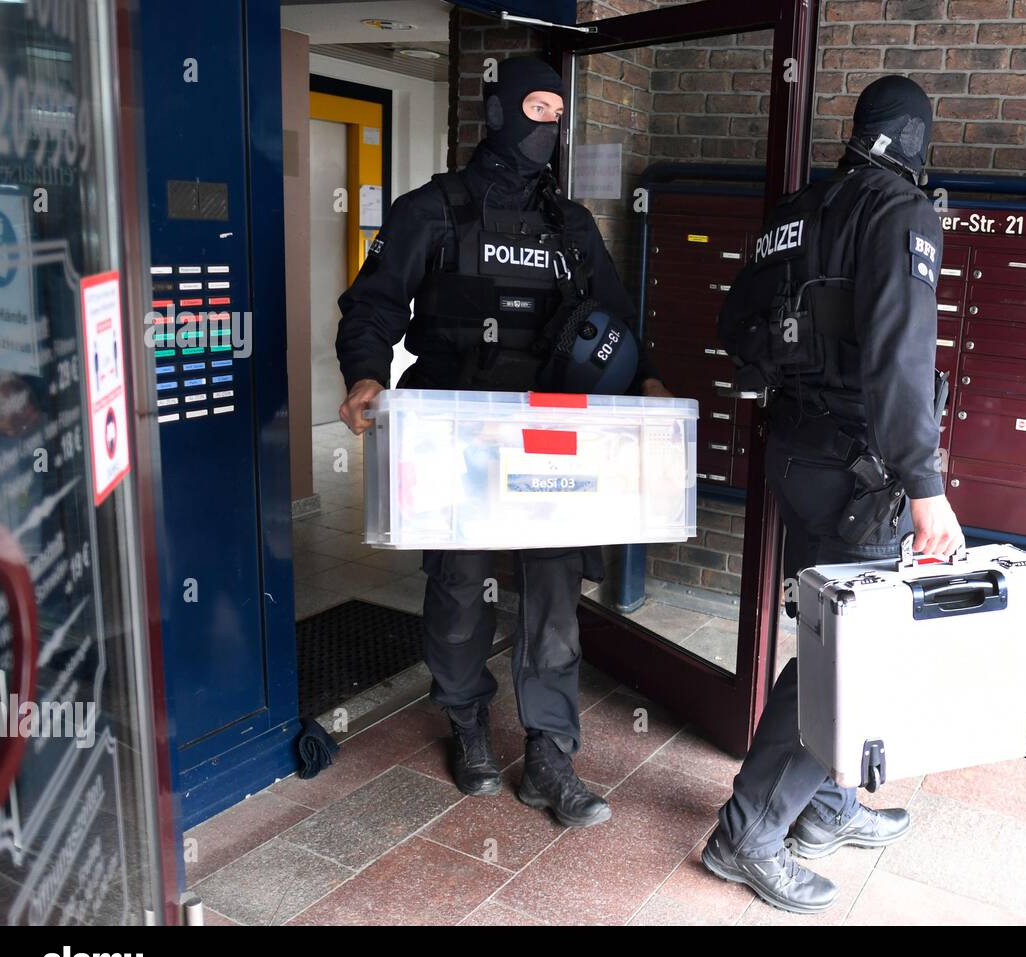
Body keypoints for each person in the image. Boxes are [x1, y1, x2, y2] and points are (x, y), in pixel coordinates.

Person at [334, 56, 670, 828]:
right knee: (459, 589)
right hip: (458, 429)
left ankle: (551, 754)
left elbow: (616, 320)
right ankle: (466, 720)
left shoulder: (571, 226)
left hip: (551, 436)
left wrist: (650, 383)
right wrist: (365, 374)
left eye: (558, 113)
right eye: (535, 108)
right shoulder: (434, 208)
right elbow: (373, 305)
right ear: (500, 111)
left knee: (554, 597)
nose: (546, 127)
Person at [703, 75, 964, 912]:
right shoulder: (900, 212)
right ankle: (746, 833)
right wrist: (926, 486)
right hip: (860, 465)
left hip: (796, 451)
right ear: (918, 138)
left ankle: (823, 806)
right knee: (843, 654)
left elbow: (736, 323)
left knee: (828, 634)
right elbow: (899, 359)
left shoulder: (793, 210)